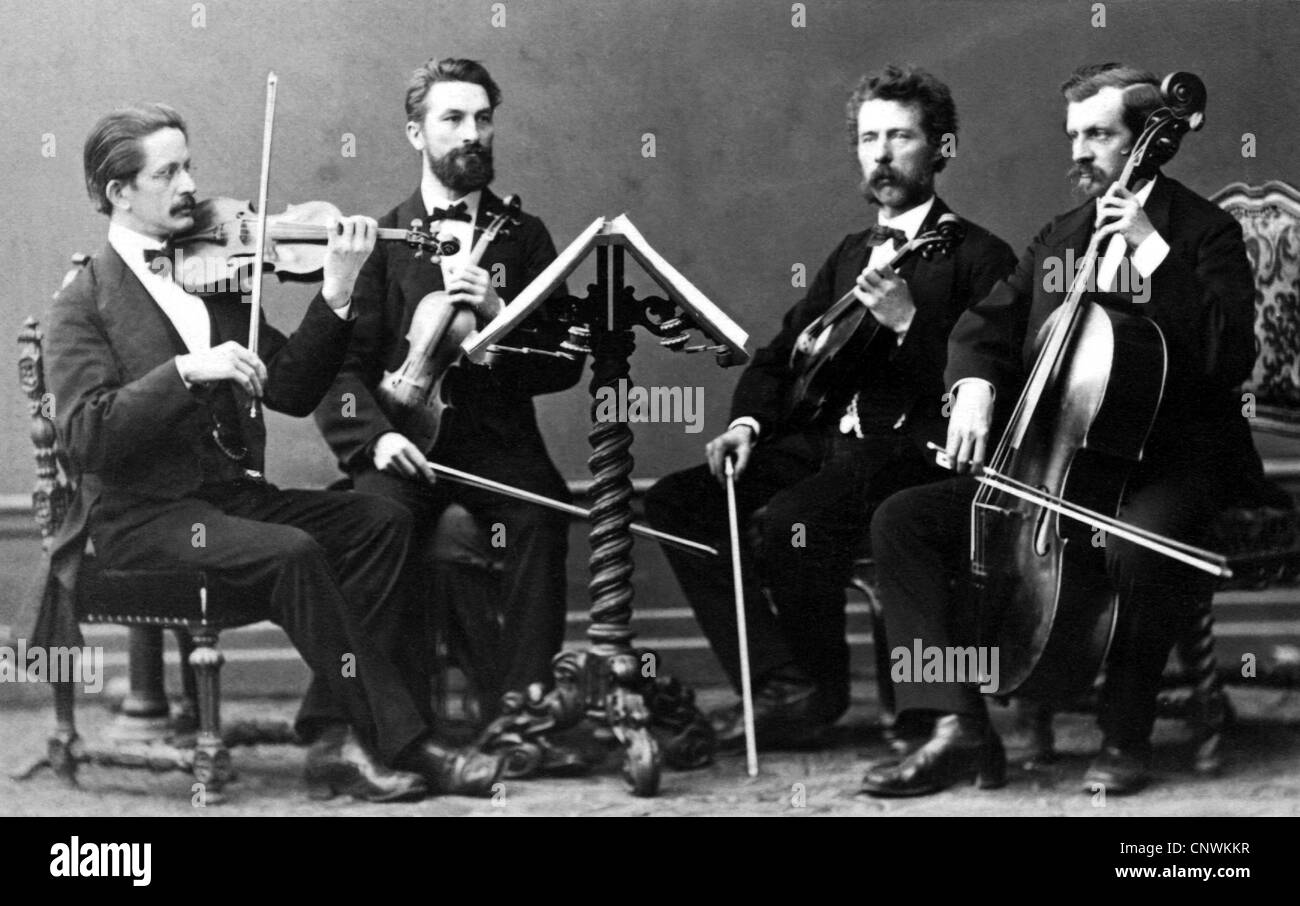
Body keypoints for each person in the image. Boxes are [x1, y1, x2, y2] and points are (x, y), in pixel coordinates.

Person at [21, 102, 503, 802]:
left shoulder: (214, 275)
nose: (189, 185)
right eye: (168, 173)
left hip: (228, 500)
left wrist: (336, 294)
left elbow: (293, 390)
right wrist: (188, 372)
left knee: (382, 521)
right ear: (120, 191)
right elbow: (87, 435)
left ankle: (336, 733)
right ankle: (405, 743)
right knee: (293, 551)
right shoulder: (84, 303)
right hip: (139, 518)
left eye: (189, 165)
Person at [861, 63, 1258, 797]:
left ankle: (1124, 732)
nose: (1079, 151)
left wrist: (1151, 252)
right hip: (1057, 467)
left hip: (1171, 463)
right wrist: (974, 387)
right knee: (903, 520)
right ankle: (957, 724)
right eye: (1073, 134)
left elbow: (1229, 354)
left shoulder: (1205, 233)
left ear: (1145, 139)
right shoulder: (1061, 235)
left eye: (1099, 134)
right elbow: (988, 326)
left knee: (1139, 552)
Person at [644, 65, 1015, 750]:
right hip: (824, 445)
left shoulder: (980, 256)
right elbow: (782, 353)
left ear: (943, 150)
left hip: (910, 452)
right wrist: (746, 424)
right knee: (676, 502)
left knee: (792, 522)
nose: (880, 154)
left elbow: (993, 383)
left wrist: (910, 323)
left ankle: (824, 690)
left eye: (900, 136)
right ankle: (782, 681)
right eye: (868, 138)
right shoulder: (850, 255)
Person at [313, 58, 583, 723]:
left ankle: (525, 704)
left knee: (541, 516)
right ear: (416, 133)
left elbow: (563, 361)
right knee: (377, 522)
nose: (472, 134)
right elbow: (336, 369)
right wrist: (374, 442)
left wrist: (500, 310)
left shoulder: (526, 235)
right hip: (404, 442)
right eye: (453, 119)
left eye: (483, 119)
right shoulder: (382, 239)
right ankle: (375, 719)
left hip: (498, 445)